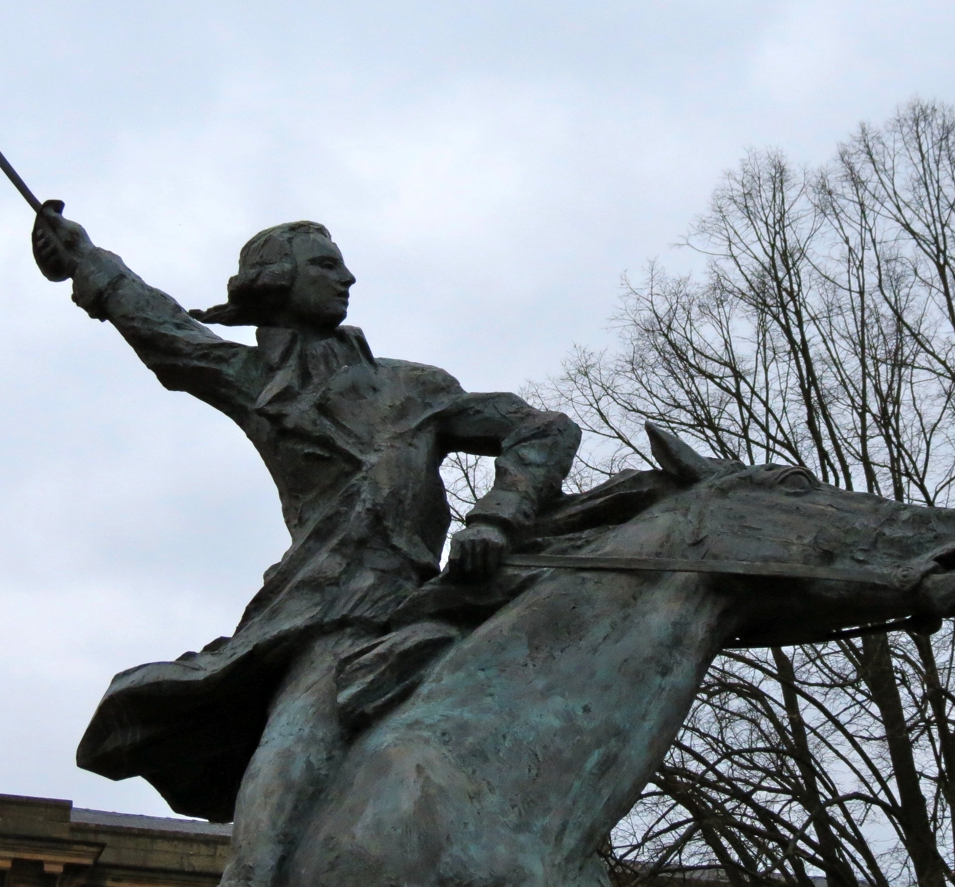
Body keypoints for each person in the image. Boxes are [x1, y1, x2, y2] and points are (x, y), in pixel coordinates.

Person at [31, 202, 579, 887]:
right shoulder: (256, 381)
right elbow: (166, 332)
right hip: (331, 611)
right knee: (288, 763)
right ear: (276, 281)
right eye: (325, 265)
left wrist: (497, 518)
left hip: (432, 603)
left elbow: (544, 428)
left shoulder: (415, 388)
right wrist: (85, 261)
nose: (347, 277)